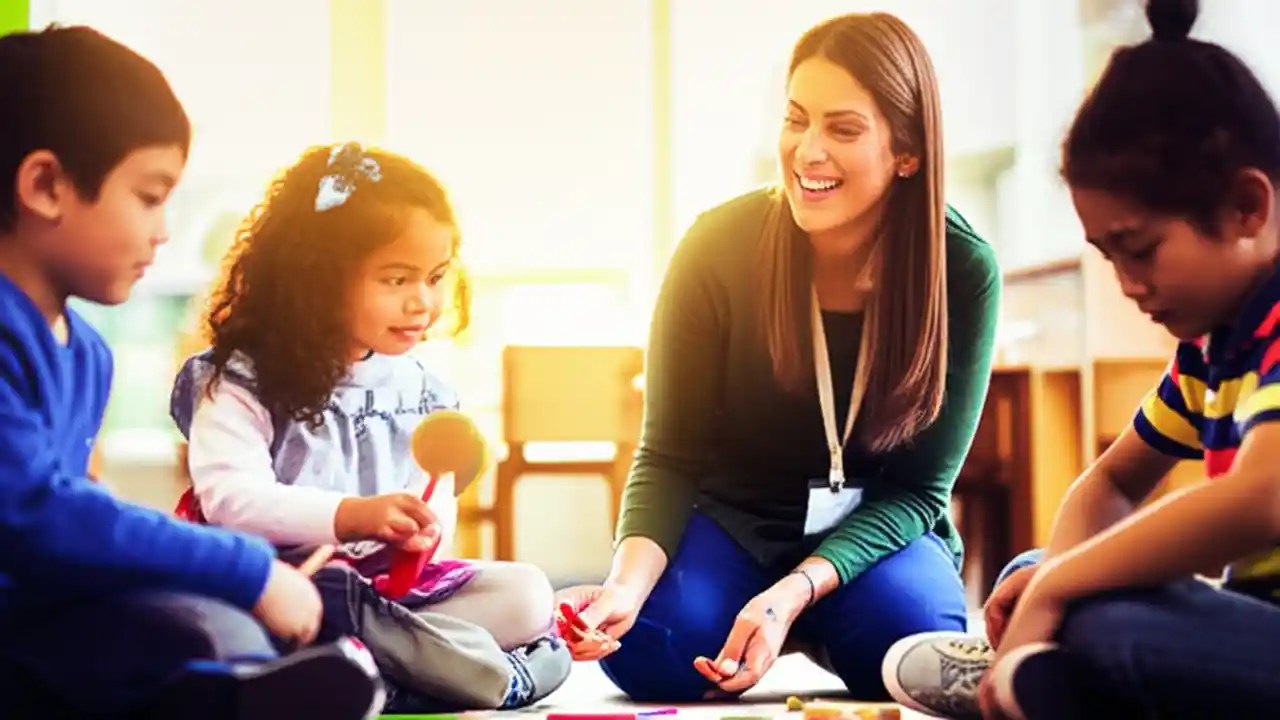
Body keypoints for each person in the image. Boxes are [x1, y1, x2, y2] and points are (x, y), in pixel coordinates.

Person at [555, 11, 1001, 702]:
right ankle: (784, 616)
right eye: (796, 120)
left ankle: (812, 615)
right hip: (733, 520)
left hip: (873, 531)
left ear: (906, 151)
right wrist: (624, 585)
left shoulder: (961, 268)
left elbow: (918, 490)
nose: (806, 152)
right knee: (647, 651)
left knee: (911, 638)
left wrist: (790, 594)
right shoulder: (715, 247)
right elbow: (667, 454)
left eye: (843, 129)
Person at [882, 1, 1280, 718]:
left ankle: (1051, 681)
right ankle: (1045, 676)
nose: (1129, 287)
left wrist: (1066, 588)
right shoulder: (1210, 347)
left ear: (1247, 207)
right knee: (1030, 572)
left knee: (1102, 614)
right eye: (1110, 258)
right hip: (1253, 626)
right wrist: (1053, 576)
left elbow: (1263, 500)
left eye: (1142, 251)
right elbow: (1113, 481)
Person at [0, 25, 382, 719]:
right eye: (149, 197)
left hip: (38, 616)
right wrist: (246, 568)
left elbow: (82, 515)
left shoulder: (87, 352)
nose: (165, 230)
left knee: (209, 623)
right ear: (46, 185)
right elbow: (37, 517)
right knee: (201, 625)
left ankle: (229, 687)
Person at [168, 142, 570, 711]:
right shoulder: (241, 378)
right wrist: (351, 516)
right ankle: (480, 675)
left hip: (385, 598)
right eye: (397, 279)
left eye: (434, 277)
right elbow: (231, 500)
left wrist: (423, 533)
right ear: (319, 279)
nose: (423, 302)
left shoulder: (422, 388)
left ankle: (370, 672)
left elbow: (431, 509)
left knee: (528, 594)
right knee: (290, 607)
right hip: (272, 586)